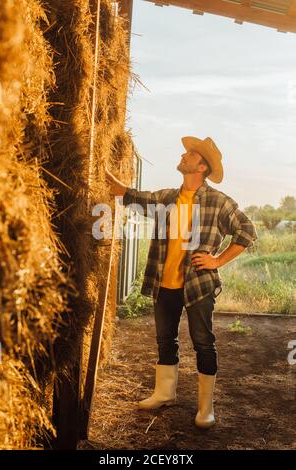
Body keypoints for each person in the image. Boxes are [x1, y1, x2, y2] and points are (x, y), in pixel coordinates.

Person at [105, 135, 258, 428]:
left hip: (198, 284)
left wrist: (217, 260)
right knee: (165, 340)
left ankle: (205, 409)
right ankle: (164, 393)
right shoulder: (167, 198)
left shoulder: (218, 201)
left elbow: (247, 232)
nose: (183, 155)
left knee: (203, 342)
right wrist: (102, 170)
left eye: (189, 154)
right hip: (165, 284)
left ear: (201, 165)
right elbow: (130, 195)